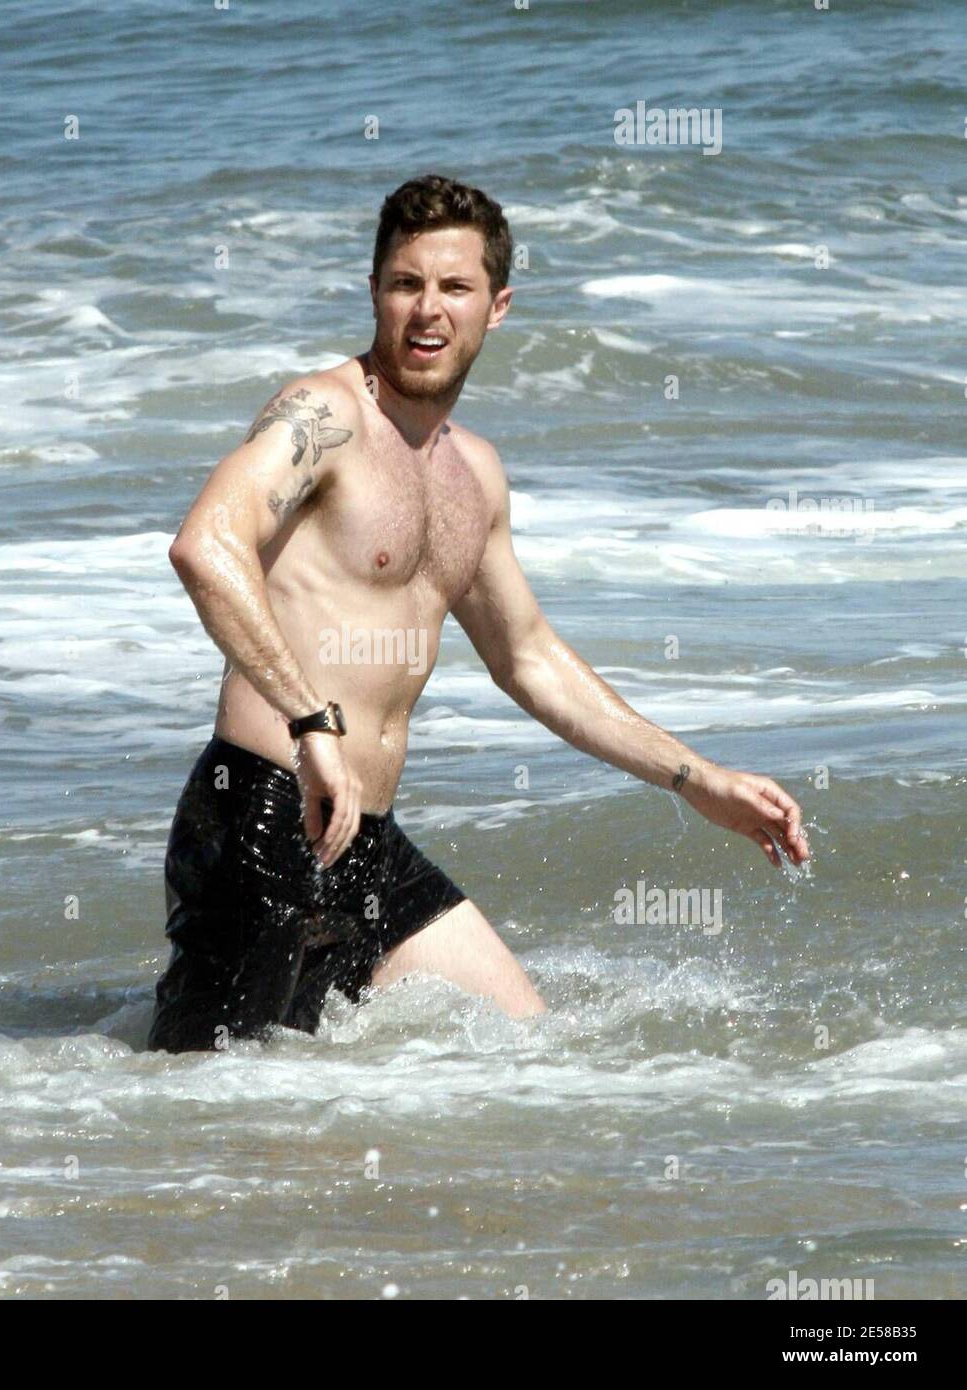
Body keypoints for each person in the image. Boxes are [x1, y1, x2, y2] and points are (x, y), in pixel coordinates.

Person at [146, 172, 809, 1055]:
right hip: (265, 812)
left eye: (453, 287)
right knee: (206, 1105)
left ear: (496, 307)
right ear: (373, 292)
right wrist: (310, 723)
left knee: (533, 1050)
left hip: (366, 840)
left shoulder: (473, 476)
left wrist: (698, 781)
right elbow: (205, 545)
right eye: (405, 283)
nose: (427, 310)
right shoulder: (324, 416)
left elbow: (526, 657)